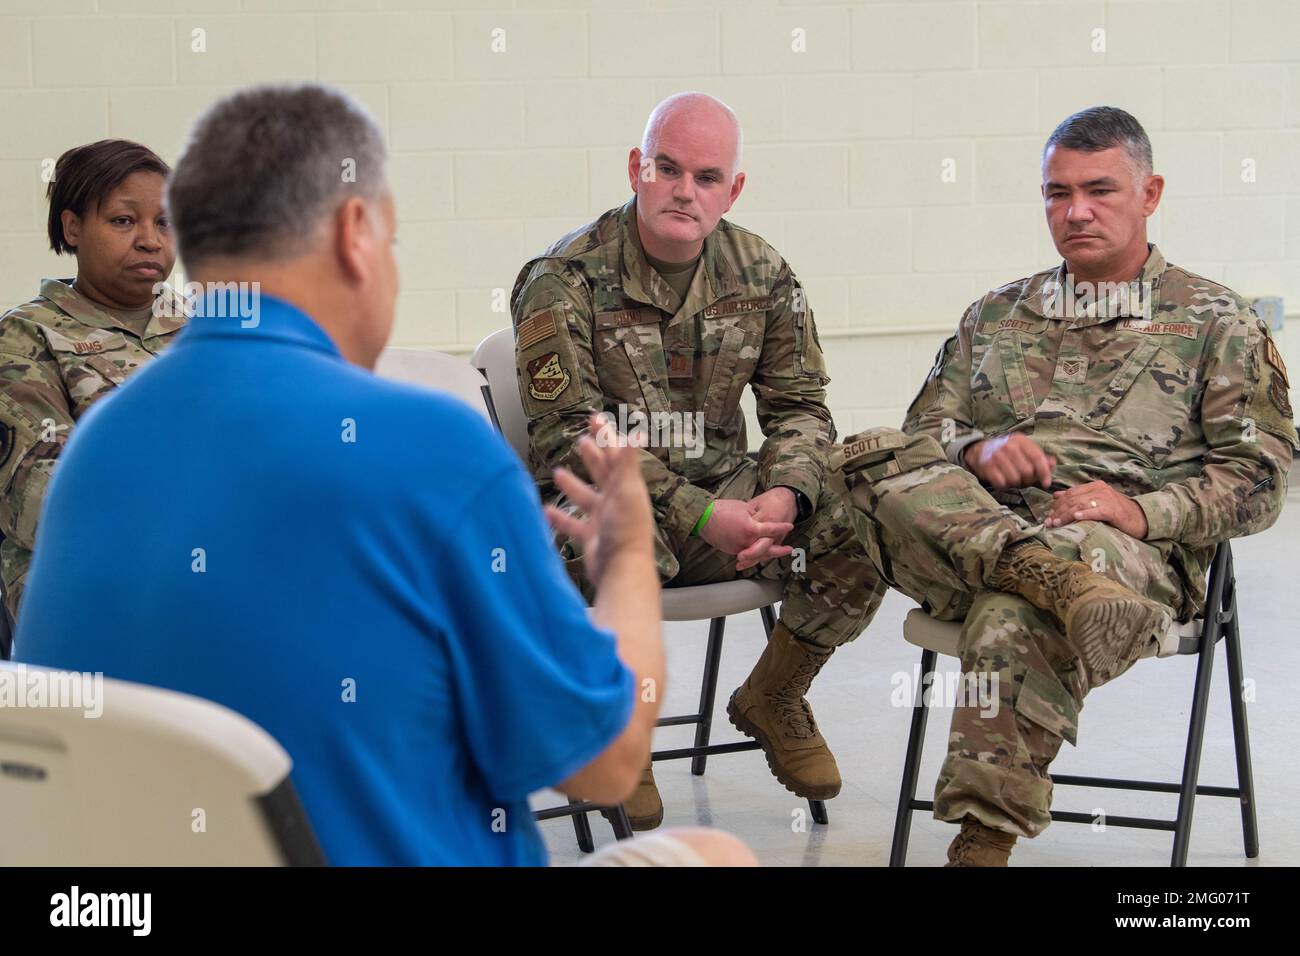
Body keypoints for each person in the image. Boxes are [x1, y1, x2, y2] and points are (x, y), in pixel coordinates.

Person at [14, 83, 752, 868]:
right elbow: (605, 766)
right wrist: (630, 559)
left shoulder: (96, 452)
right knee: (718, 854)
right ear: (354, 233)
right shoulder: (437, 450)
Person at [511, 92, 1172, 832]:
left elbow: (799, 408)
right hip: (611, 506)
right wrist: (703, 514)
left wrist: (788, 493)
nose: (682, 191)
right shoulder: (562, 279)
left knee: (857, 495)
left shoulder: (760, 270)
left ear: (733, 190)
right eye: (666, 169)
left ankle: (777, 692)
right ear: (638, 169)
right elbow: (571, 435)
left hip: (732, 495)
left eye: (705, 177)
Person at [841, 106, 1295, 865]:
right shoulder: (995, 314)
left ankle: (982, 843)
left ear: (1149, 195)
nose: (1075, 211)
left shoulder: (1219, 323)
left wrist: (1142, 511)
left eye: (1100, 190)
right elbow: (919, 439)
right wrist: (979, 451)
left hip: (1121, 558)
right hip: (978, 536)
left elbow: (1258, 480)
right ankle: (1037, 571)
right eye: (1057, 193)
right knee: (860, 453)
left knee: (1025, 599)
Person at [0, 139, 186, 630]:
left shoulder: (208, 334)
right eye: (124, 221)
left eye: (164, 222)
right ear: (73, 227)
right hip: (91, 602)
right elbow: (37, 500)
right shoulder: (28, 336)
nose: (151, 240)